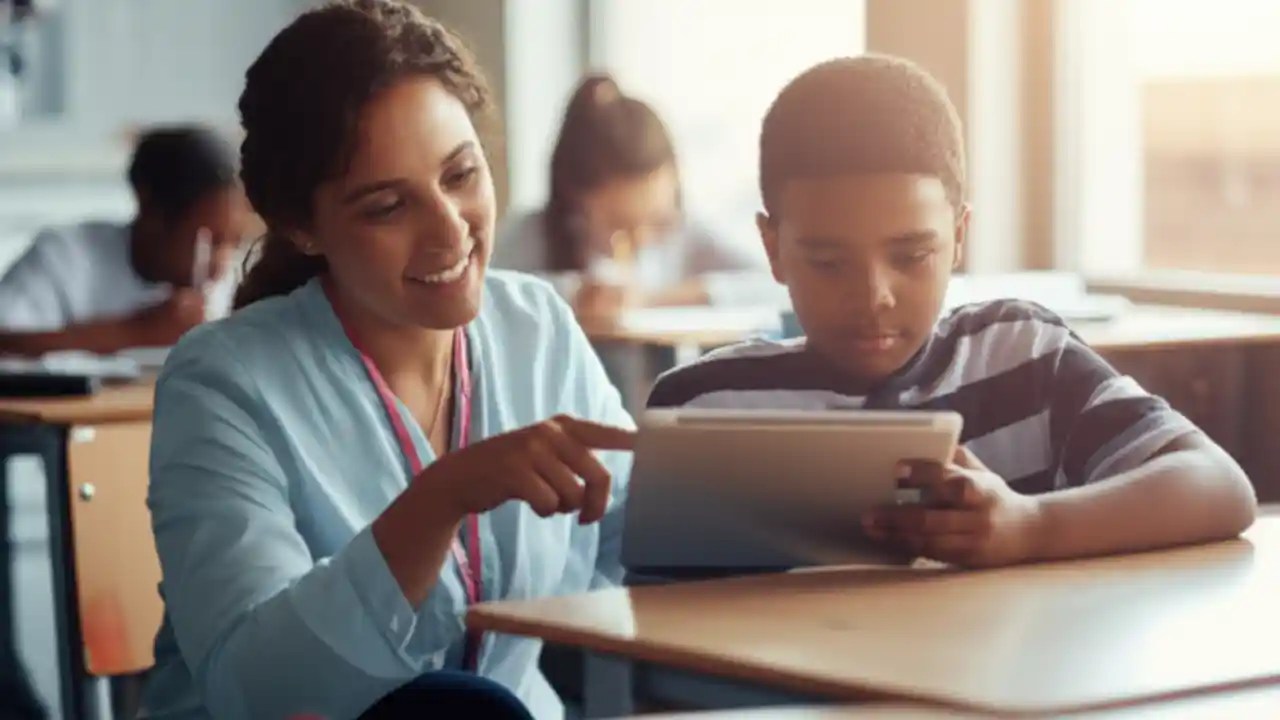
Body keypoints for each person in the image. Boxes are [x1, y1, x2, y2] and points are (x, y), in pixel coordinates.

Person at [139, 2, 634, 719]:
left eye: (461, 175)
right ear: (302, 226)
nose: (448, 231)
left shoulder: (536, 324)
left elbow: (636, 543)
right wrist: (438, 502)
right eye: (386, 208)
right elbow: (256, 688)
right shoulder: (221, 380)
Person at [647, 55, 1256, 568]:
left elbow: (1219, 487)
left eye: (911, 256)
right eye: (830, 263)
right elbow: (651, 618)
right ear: (773, 249)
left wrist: (1030, 525)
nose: (874, 296)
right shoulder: (705, 409)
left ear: (958, 238)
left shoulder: (1023, 356)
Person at [493, 74, 779, 321]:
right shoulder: (533, 234)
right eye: (619, 224)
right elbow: (488, 295)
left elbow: (776, 286)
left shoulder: (685, 234)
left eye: (657, 220)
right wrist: (575, 295)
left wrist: (653, 299)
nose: (641, 239)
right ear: (578, 200)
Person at [0, 126, 251, 356]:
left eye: (235, 243)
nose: (222, 264)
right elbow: (6, 343)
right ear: (152, 213)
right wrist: (135, 332)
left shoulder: (233, 288)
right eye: (211, 243)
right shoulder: (64, 258)